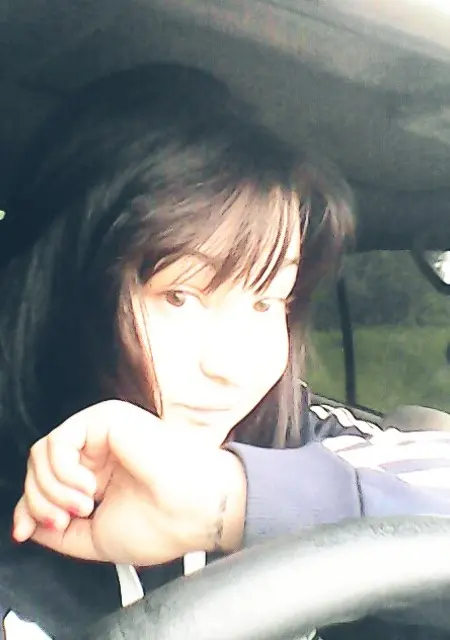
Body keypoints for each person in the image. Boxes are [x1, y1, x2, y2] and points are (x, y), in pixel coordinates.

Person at [0, 61, 355, 638]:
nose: (232, 368)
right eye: (180, 296)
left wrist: (229, 504)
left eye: (268, 303)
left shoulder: (294, 438)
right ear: (66, 288)